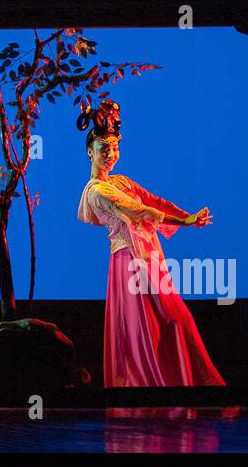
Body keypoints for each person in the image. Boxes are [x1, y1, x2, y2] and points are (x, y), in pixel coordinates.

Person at [76, 100, 225, 387]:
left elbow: (152, 201)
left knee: (168, 322)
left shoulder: (120, 182)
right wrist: (184, 222)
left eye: (115, 148)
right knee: (156, 325)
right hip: (129, 261)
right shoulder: (97, 191)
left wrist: (187, 217)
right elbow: (139, 211)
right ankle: (153, 387)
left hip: (148, 256)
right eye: (103, 149)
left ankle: (179, 384)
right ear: (89, 152)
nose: (110, 154)